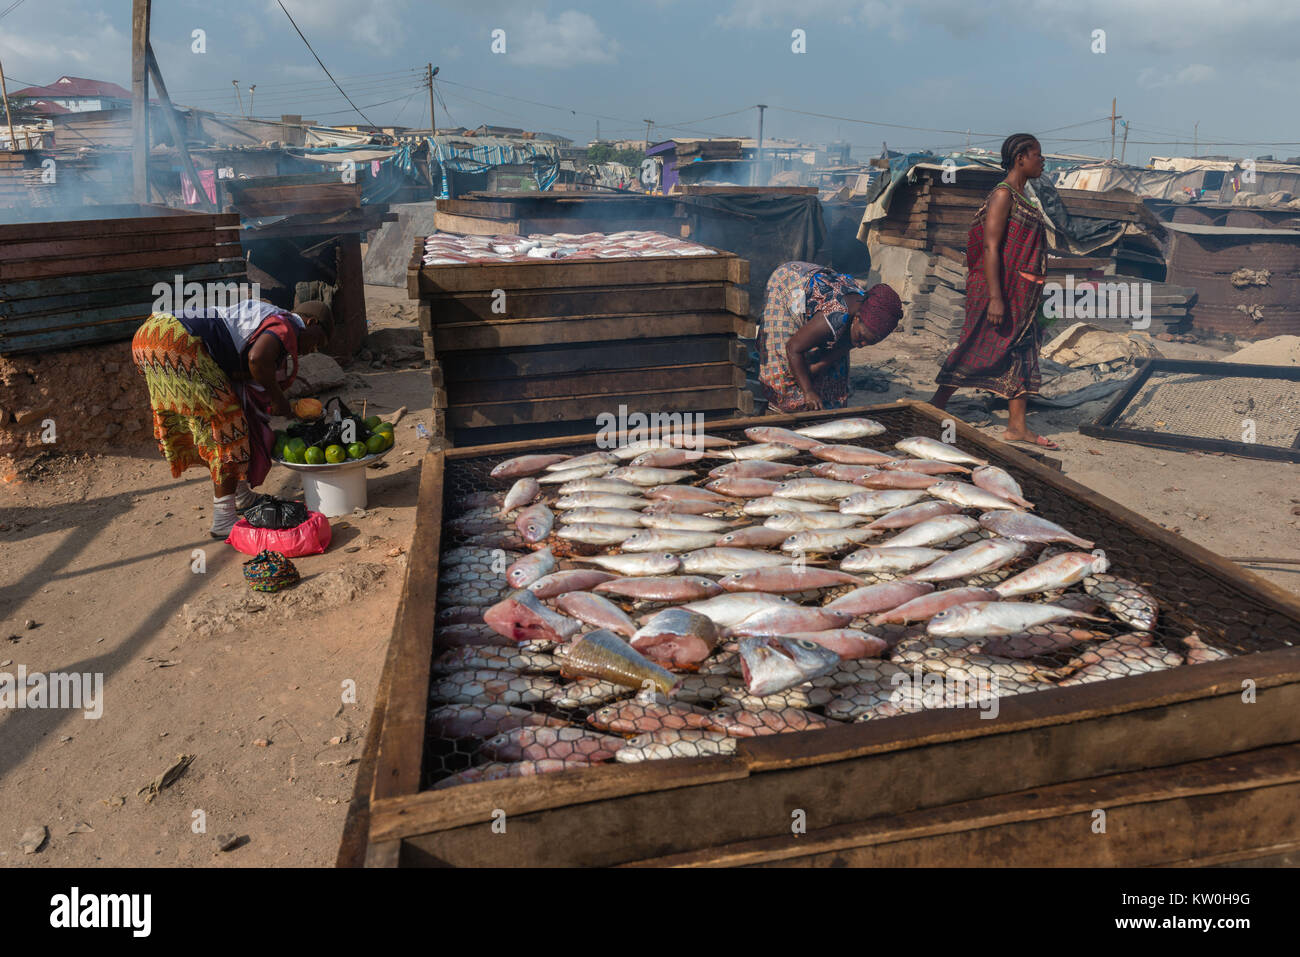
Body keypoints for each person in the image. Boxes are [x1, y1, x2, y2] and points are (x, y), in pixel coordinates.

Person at [131, 299, 334, 538]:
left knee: (228, 419)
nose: (313, 350)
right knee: (227, 429)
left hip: (149, 335)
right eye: (318, 341)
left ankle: (241, 495)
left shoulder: (264, 320)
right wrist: (278, 399)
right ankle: (223, 521)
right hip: (178, 339)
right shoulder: (286, 324)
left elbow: (238, 369)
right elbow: (257, 359)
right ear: (310, 322)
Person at [930, 133, 1058, 449]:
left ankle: (1017, 426)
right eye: (1038, 155)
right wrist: (996, 298)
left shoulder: (1024, 195)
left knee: (1023, 354)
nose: (1042, 161)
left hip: (1024, 294)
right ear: (1020, 158)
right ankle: (934, 407)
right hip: (999, 292)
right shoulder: (1003, 196)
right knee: (976, 347)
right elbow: (990, 247)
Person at [758, 261, 903, 412]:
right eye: (861, 338)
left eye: (869, 343)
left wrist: (815, 368)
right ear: (857, 318)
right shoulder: (836, 315)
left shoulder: (866, 321)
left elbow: (837, 352)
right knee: (785, 368)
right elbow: (793, 348)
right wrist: (808, 391)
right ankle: (778, 409)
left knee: (832, 380)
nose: (861, 344)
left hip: (818, 296)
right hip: (790, 286)